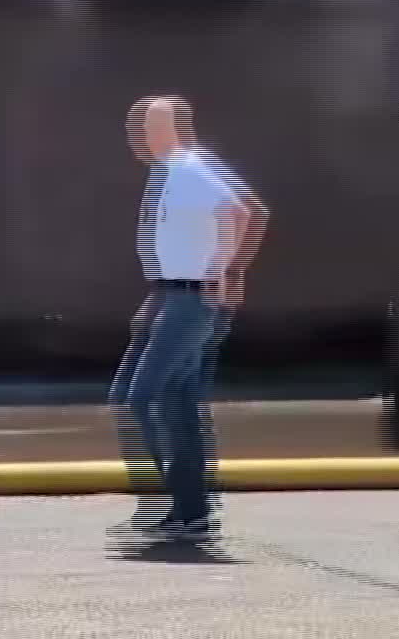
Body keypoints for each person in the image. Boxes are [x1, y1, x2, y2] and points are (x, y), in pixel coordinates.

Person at [109, 97, 268, 546]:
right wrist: (158, 294)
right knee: (168, 402)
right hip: (174, 295)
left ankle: (181, 504)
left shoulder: (188, 169)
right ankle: (189, 510)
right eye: (138, 125)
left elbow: (242, 212)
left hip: (191, 300)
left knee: (142, 398)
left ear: (172, 129)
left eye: (148, 125)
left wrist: (225, 269)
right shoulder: (175, 170)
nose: (139, 134)